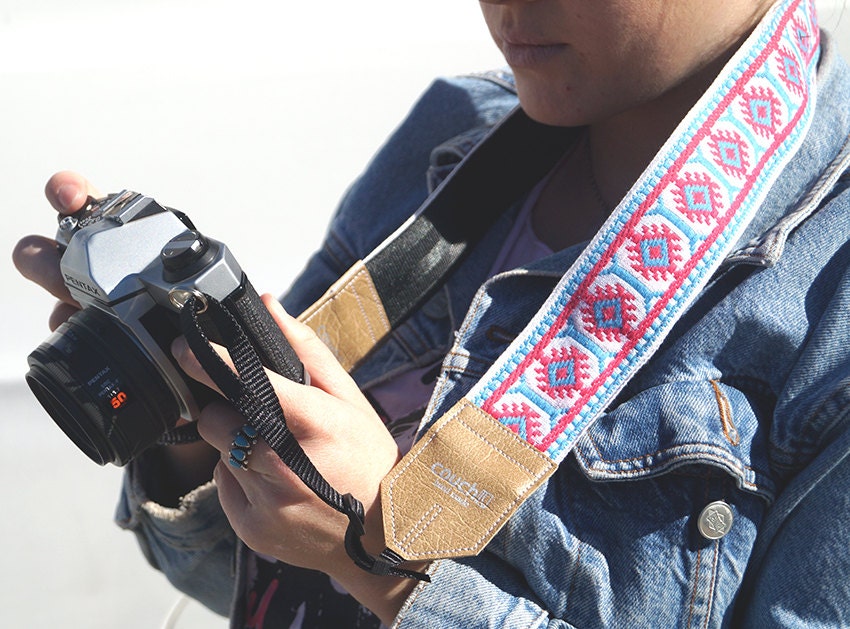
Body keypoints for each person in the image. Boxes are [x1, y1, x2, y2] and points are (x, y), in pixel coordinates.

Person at [13, 0, 850, 626]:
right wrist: (191, 399)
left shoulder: (830, 290)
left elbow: (346, 564)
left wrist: (385, 563)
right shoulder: (455, 136)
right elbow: (255, 572)